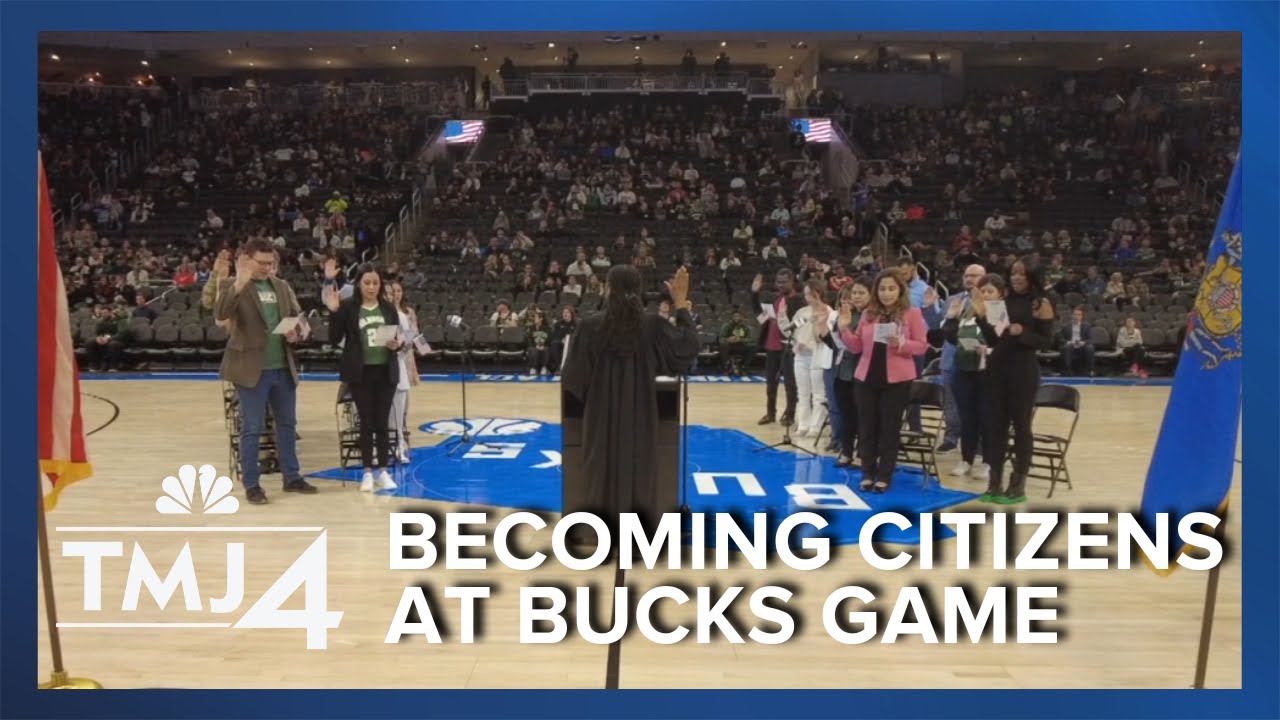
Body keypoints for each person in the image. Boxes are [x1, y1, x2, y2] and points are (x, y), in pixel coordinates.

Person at [560, 265, 700, 524]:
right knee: (640, 472)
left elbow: (572, 380)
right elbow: (688, 347)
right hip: (642, 414)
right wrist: (681, 306)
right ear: (638, 292)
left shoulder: (589, 327)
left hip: (599, 417)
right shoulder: (654, 326)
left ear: (609, 289)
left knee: (599, 472)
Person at [215, 238, 313, 504]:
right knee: (252, 428)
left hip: (282, 366)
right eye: (262, 263)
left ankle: (292, 477)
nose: (267, 268)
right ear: (247, 260)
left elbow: (297, 317)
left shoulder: (281, 286)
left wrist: (298, 333)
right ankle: (252, 484)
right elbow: (221, 312)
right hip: (251, 370)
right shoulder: (232, 286)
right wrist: (238, 282)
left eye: (271, 263)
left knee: (287, 425)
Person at [971, 258, 1056, 503]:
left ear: (1032, 275)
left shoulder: (1041, 303)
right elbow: (994, 338)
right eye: (1014, 273)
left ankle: (1018, 483)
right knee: (995, 427)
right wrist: (980, 316)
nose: (1017, 277)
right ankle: (994, 482)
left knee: (1021, 428)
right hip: (996, 368)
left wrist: (1024, 333)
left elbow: (1046, 341)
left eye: (1022, 273)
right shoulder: (1002, 302)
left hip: (1022, 371)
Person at [840, 270, 929, 493]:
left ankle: (884, 476)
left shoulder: (912, 313)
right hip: (866, 378)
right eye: (882, 289)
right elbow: (857, 347)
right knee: (867, 428)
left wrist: (902, 344)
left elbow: (922, 346)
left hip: (897, 381)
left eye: (891, 288)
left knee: (890, 429)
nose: (886, 293)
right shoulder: (869, 314)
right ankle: (867, 474)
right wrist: (844, 328)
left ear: (900, 290)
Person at [323, 259, 402, 493]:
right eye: (367, 282)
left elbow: (397, 339)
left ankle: (384, 471)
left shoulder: (388, 309)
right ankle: (367, 472)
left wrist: (396, 345)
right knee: (366, 423)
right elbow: (334, 338)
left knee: (382, 422)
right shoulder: (348, 308)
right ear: (358, 284)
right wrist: (334, 312)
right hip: (360, 373)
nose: (371, 287)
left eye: (375, 283)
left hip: (385, 371)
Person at [942, 275, 993, 482]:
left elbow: (1004, 342)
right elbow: (951, 338)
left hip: (987, 373)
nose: (985, 295)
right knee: (967, 418)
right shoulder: (966, 311)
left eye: (990, 291)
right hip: (963, 370)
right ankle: (966, 459)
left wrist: (988, 350)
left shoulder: (999, 313)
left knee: (986, 419)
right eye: (982, 291)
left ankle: (988, 462)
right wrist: (952, 318)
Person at [751, 270, 804, 426]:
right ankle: (770, 413)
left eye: (783, 282)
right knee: (770, 382)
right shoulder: (775, 298)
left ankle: (789, 414)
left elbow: (803, 320)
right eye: (777, 282)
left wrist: (789, 326)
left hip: (788, 346)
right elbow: (761, 317)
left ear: (792, 281)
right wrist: (754, 294)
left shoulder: (798, 300)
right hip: (771, 346)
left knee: (790, 383)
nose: (780, 285)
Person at [832, 276, 873, 467]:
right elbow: (832, 338)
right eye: (854, 293)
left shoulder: (872, 316)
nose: (856, 296)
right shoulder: (847, 313)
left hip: (863, 370)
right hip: (843, 370)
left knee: (862, 415)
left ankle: (862, 452)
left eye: (861, 293)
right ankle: (846, 450)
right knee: (845, 413)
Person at [791, 279, 837, 438]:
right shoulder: (802, 312)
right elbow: (793, 331)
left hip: (818, 354)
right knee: (802, 392)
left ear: (819, 292)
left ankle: (816, 426)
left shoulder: (828, 311)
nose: (808, 298)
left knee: (818, 393)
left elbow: (825, 336)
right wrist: (796, 343)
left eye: (811, 294)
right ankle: (803, 424)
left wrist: (810, 344)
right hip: (800, 356)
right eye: (806, 294)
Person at [387, 280, 420, 464]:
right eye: (391, 292)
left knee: (400, 412)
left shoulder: (403, 315)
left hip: (399, 365)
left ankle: (400, 446)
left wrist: (402, 347)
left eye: (397, 291)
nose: (394, 295)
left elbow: (408, 341)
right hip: (377, 369)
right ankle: (382, 447)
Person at [1059, 306, 1096, 377]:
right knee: (1067, 346)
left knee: (1090, 348)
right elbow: (1060, 338)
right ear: (1072, 316)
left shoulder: (1087, 326)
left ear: (1082, 316)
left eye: (1079, 315)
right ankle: (1067, 370)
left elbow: (1090, 339)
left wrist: (1084, 342)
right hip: (1070, 345)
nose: (1076, 316)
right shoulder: (1066, 326)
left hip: (1082, 346)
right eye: (1075, 314)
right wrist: (1068, 342)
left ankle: (1090, 370)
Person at [718, 308, 755, 376]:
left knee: (753, 347)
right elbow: (721, 338)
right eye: (735, 316)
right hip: (730, 346)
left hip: (741, 345)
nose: (737, 318)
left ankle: (743, 366)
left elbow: (751, 339)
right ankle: (726, 367)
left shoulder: (746, 327)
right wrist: (728, 339)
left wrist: (741, 339)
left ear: (741, 317)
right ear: (732, 317)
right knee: (723, 346)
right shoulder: (727, 326)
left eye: (738, 316)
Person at [527, 310, 553, 375]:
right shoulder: (531, 328)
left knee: (546, 349)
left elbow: (549, 339)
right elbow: (529, 339)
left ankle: (544, 367)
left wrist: (543, 345)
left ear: (541, 319)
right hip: (534, 346)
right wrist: (536, 346)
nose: (534, 319)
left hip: (544, 346)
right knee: (532, 349)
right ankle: (534, 367)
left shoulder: (547, 328)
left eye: (536, 317)